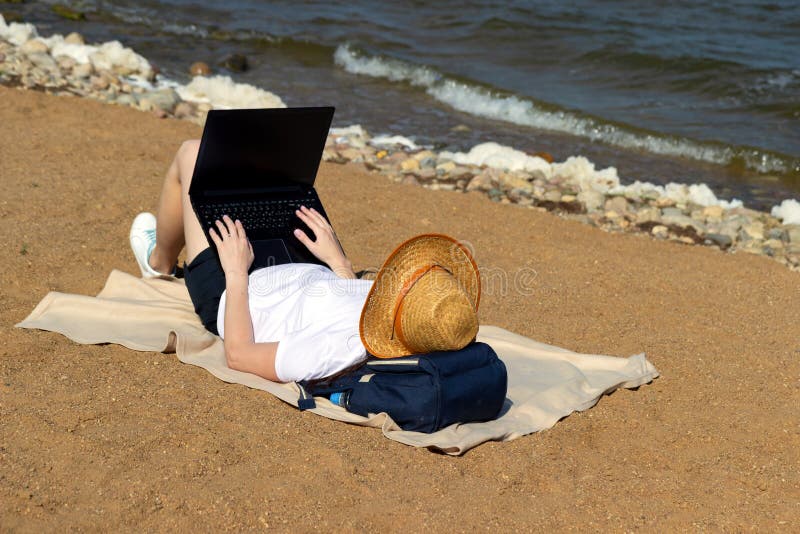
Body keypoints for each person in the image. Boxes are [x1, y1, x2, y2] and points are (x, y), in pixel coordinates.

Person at [130, 140, 480, 384]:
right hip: (301, 270)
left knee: (192, 155)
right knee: (273, 182)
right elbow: (349, 302)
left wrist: (236, 273)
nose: (402, 280)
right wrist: (337, 260)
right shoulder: (393, 310)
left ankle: (159, 263)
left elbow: (239, 354)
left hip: (235, 294)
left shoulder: (333, 351)